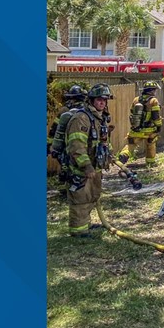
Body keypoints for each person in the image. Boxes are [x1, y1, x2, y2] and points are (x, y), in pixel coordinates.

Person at [64, 83, 114, 238]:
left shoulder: (98, 118)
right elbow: (76, 146)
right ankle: (78, 231)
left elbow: (102, 141)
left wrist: (109, 155)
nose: (102, 103)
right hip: (80, 169)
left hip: (95, 167)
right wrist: (86, 166)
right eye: (99, 99)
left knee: (92, 196)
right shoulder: (81, 119)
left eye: (105, 100)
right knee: (80, 199)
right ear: (91, 100)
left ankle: (86, 224)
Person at [117, 81, 163, 166]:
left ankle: (123, 156)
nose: (155, 92)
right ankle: (150, 163)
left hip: (136, 129)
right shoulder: (154, 101)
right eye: (155, 90)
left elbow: (132, 111)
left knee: (131, 144)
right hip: (149, 131)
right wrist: (159, 126)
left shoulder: (136, 99)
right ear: (152, 91)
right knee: (150, 144)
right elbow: (155, 116)